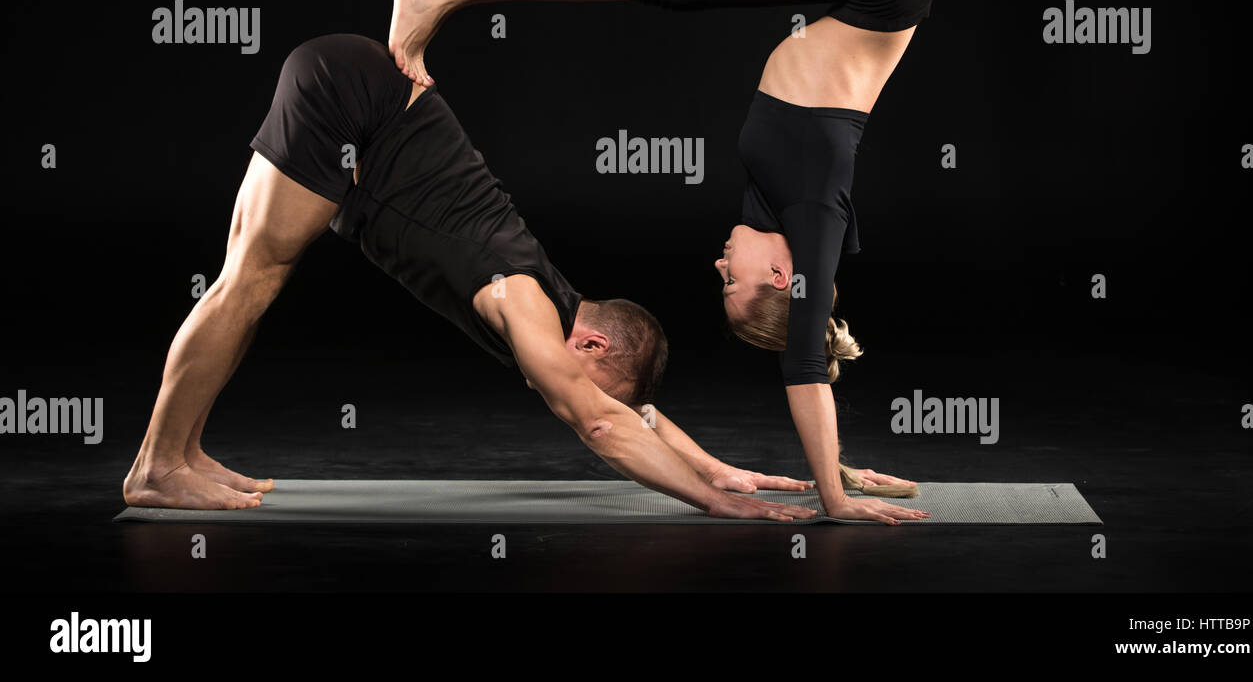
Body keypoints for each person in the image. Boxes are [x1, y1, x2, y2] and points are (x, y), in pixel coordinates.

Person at [386, 0, 939, 524]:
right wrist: (834, 502)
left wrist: (830, 466)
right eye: (733, 280)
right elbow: (806, 363)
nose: (717, 263)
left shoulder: (776, 214)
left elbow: (809, 352)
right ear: (788, 277)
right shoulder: (815, 215)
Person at [122, 32, 817, 522]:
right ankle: (156, 468)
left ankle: (182, 451)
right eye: (583, 381)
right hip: (354, 99)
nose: (565, 395)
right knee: (249, 280)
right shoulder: (524, 296)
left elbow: (632, 416)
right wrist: (718, 504)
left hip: (362, 105)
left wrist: (717, 468)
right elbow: (602, 424)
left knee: (252, 279)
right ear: (594, 348)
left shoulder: (560, 302)